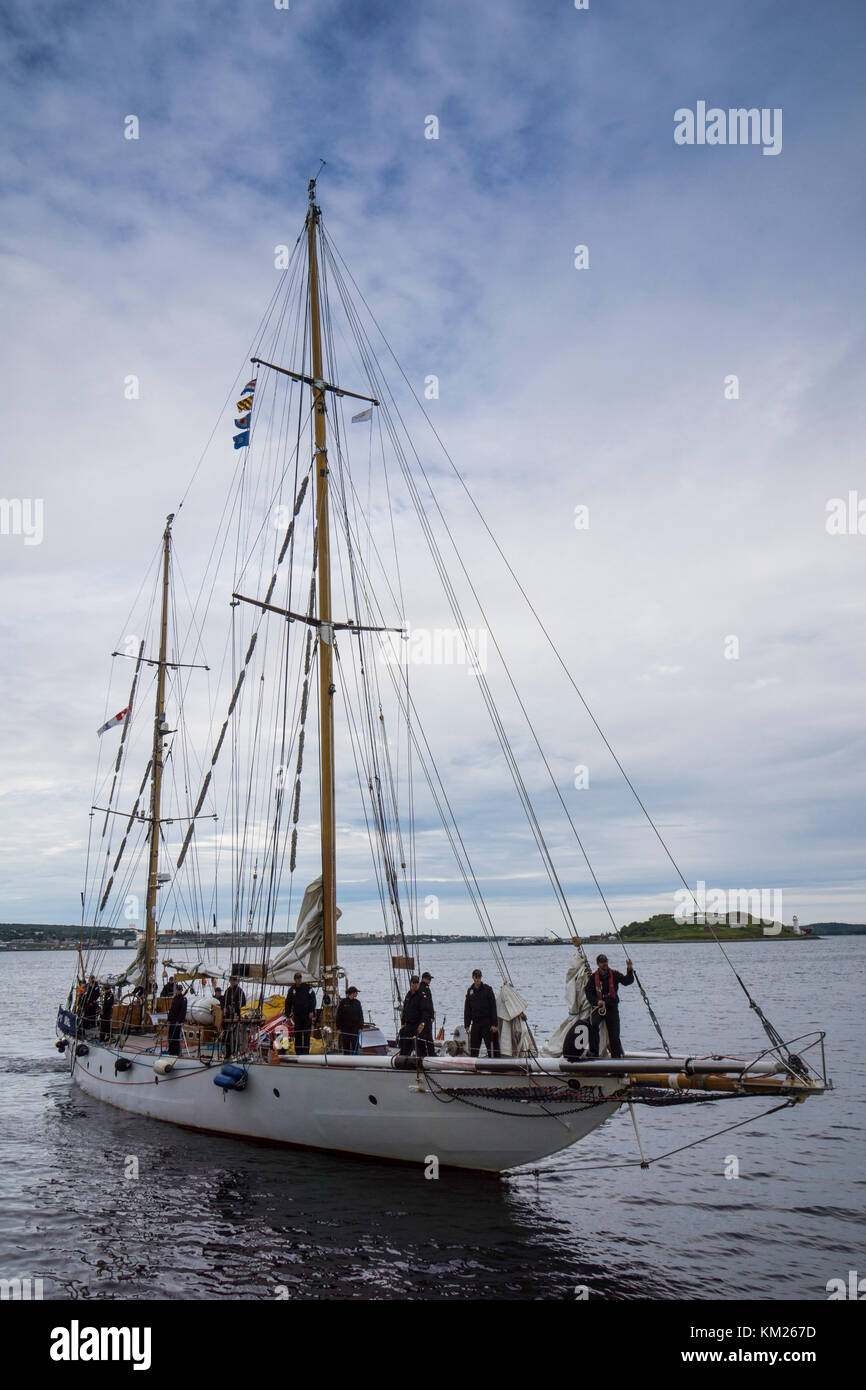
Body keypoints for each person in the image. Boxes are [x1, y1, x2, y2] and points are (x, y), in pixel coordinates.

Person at [585, 953, 634, 1058]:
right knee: (593, 1025)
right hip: (599, 1007)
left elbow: (627, 981)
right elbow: (588, 992)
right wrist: (596, 1001)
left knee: (614, 1033)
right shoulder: (593, 977)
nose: (604, 964)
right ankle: (594, 1052)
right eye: (602, 962)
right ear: (598, 964)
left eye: (605, 961)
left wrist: (629, 969)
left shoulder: (614, 974)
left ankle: (616, 1056)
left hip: (611, 1007)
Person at [464, 969, 500, 1057]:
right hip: (476, 1023)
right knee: (474, 1048)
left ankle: (495, 1064)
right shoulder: (470, 991)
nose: (477, 979)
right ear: (473, 978)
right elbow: (467, 1009)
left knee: (492, 1048)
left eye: (479, 977)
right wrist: (467, 1025)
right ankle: (473, 1066)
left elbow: (493, 1007)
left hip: (487, 1023)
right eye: (476, 977)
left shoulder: (487, 989)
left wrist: (494, 1024)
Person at [399, 975, 433, 1058]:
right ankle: (403, 1064)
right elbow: (405, 1010)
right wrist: (403, 1023)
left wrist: (422, 1023)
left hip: (417, 1025)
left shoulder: (422, 995)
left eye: (417, 983)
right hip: (409, 1025)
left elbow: (425, 1011)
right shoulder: (408, 995)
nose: (415, 985)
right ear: (411, 984)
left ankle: (421, 1064)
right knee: (405, 1046)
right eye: (413, 983)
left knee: (420, 1048)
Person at [284, 972, 316, 1056]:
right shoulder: (292, 990)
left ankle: (306, 1053)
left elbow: (313, 999)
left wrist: (311, 1011)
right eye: (297, 978)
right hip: (297, 1016)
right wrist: (287, 1016)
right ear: (295, 980)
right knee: (297, 1034)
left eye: (300, 978)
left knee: (306, 1035)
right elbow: (288, 1003)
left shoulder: (307, 988)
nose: (299, 980)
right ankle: (298, 1053)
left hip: (306, 1015)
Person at [222, 975, 247, 1057]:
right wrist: (224, 1008)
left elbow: (243, 1003)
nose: (232, 982)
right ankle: (228, 1053)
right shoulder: (227, 991)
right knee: (228, 1035)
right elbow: (223, 1002)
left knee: (236, 1036)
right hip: (228, 1017)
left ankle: (236, 1051)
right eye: (231, 981)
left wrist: (235, 1007)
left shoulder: (240, 991)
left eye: (234, 981)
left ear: (236, 981)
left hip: (236, 1016)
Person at [336, 986, 363, 1054]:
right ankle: (346, 1060)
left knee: (355, 1046)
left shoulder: (357, 1002)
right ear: (352, 993)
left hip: (355, 1028)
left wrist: (360, 1027)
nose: (357, 994)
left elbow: (360, 1015)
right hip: (345, 1028)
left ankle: (354, 1060)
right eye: (356, 992)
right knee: (346, 1046)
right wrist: (338, 1028)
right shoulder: (343, 1002)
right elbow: (339, 1015)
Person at [419, 971, 437, 1055]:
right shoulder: (423, 989)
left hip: (426, 1018)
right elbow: (427, 1005)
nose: (430, 981)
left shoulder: (426, 988)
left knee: (425, 1038)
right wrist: (430, 1016)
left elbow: (430, 1003)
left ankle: (426, 1054)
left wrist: (432, 1015)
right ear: (424, 979)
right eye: (429, 979)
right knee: (428, 1038)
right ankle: (430, 1054)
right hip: (425, 1018)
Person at [167, 987, 187, 1057]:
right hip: (172, 1020)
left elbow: (183, 1011)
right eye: (177, 990)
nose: (178, 991)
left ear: (181, 991)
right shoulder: (175, 998)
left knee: (176, 1037)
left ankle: (176, 1052)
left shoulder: (183, 999)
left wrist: (179, 1020)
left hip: (177, 1021)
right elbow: (171, 1009)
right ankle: (170, 1050)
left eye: (179, 990)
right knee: (170, 1036)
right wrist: (169, 1019)